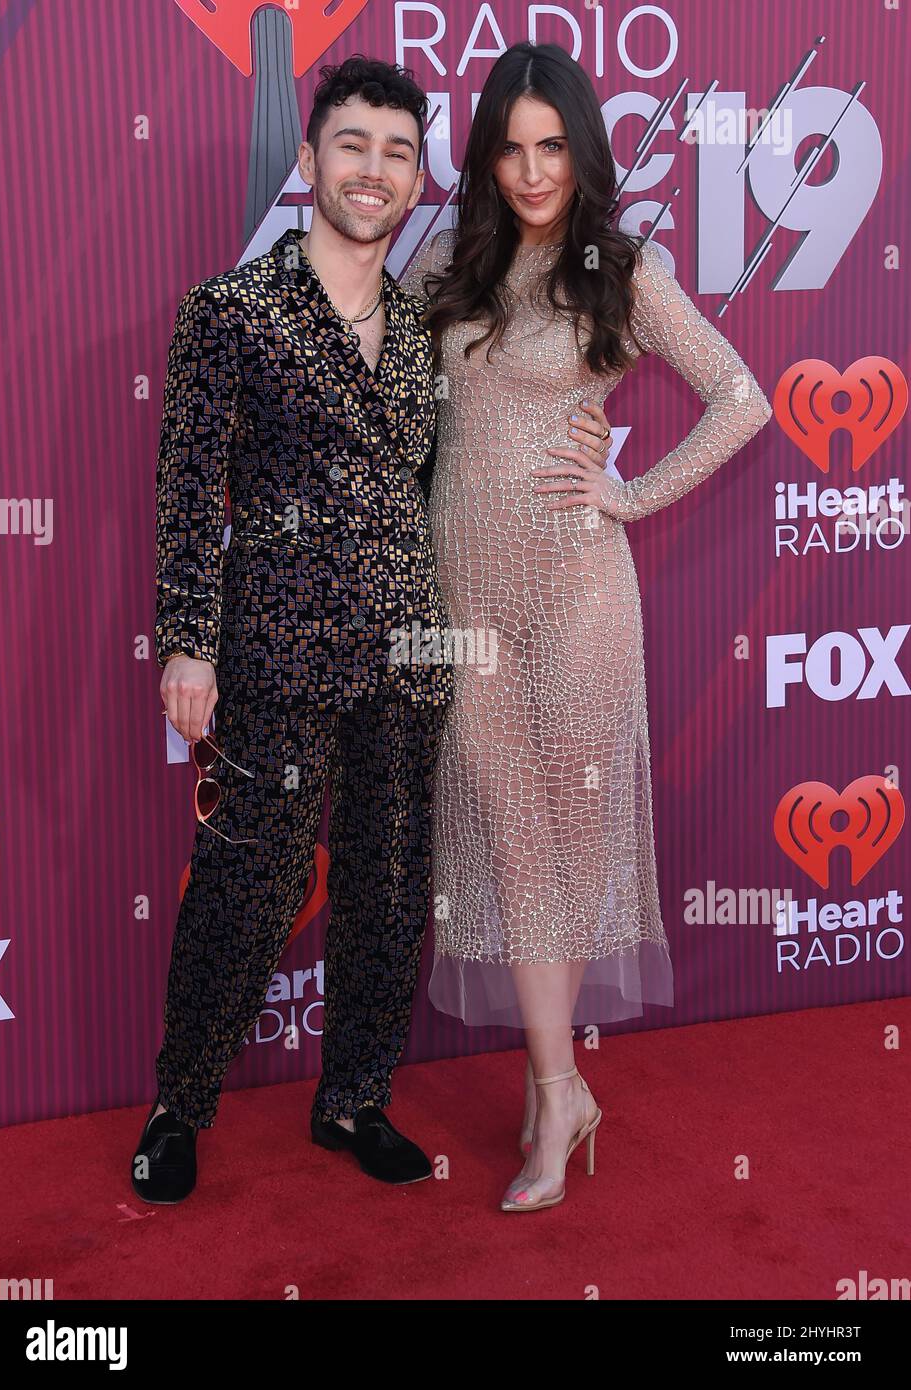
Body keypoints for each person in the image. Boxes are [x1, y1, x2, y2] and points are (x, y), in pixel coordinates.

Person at [132, 53, 613, 1205]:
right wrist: (186, 640)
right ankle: (177, 1104)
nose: (375, 170)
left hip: (410, 653)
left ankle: (354, 1098)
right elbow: (192, 489)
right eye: (353, 145)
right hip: (275, 654)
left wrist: (590, 452)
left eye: (399, 154)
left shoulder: (426, 323)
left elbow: (470, 466)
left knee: (391, 894)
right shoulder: (230, 311)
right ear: (309, 161)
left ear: (416, 182)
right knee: (245, 889)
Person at [400, 41, 772, 1213]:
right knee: (510, 846)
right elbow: (385, 399)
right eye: (508, 148)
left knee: (560, 837)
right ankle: (556, 1086)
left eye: (549, 145)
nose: (527, 170)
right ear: (485, 157)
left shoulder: (617, 265)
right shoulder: (447, 264)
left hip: (577, 592)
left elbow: (740, 395)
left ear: (581, 149)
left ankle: (555, 1093)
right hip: (464, 604)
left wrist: (630, 490)